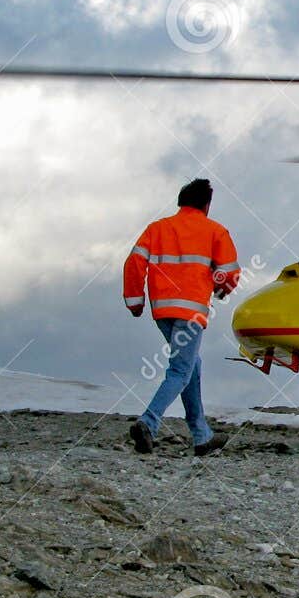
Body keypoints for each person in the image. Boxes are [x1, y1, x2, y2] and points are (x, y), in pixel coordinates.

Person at [123, 178, 241, 456]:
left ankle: (201, 435)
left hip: (162, 311)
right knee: (180, 370)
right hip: (191, 312)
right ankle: (148, 423)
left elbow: (134, 262)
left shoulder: (157, 228)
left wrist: (135, 300)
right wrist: (222, 287)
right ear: (207, 204)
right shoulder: (215, 231)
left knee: (191, 365)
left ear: (181, 201)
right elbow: (230, 273)